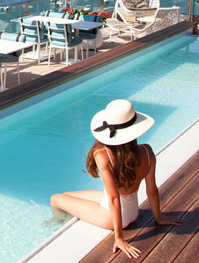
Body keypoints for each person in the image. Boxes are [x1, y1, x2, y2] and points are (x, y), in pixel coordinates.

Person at [49, 99, 181, 259]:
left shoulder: (103, 156)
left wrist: (119, 238)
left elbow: (114, 199)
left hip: (111, 217)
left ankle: (60, 221)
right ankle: (69, 214)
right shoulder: (147, 151)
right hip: (133, 212)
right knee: (68, 194)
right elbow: (151, 189)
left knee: (55, 198)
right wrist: (158, 217)